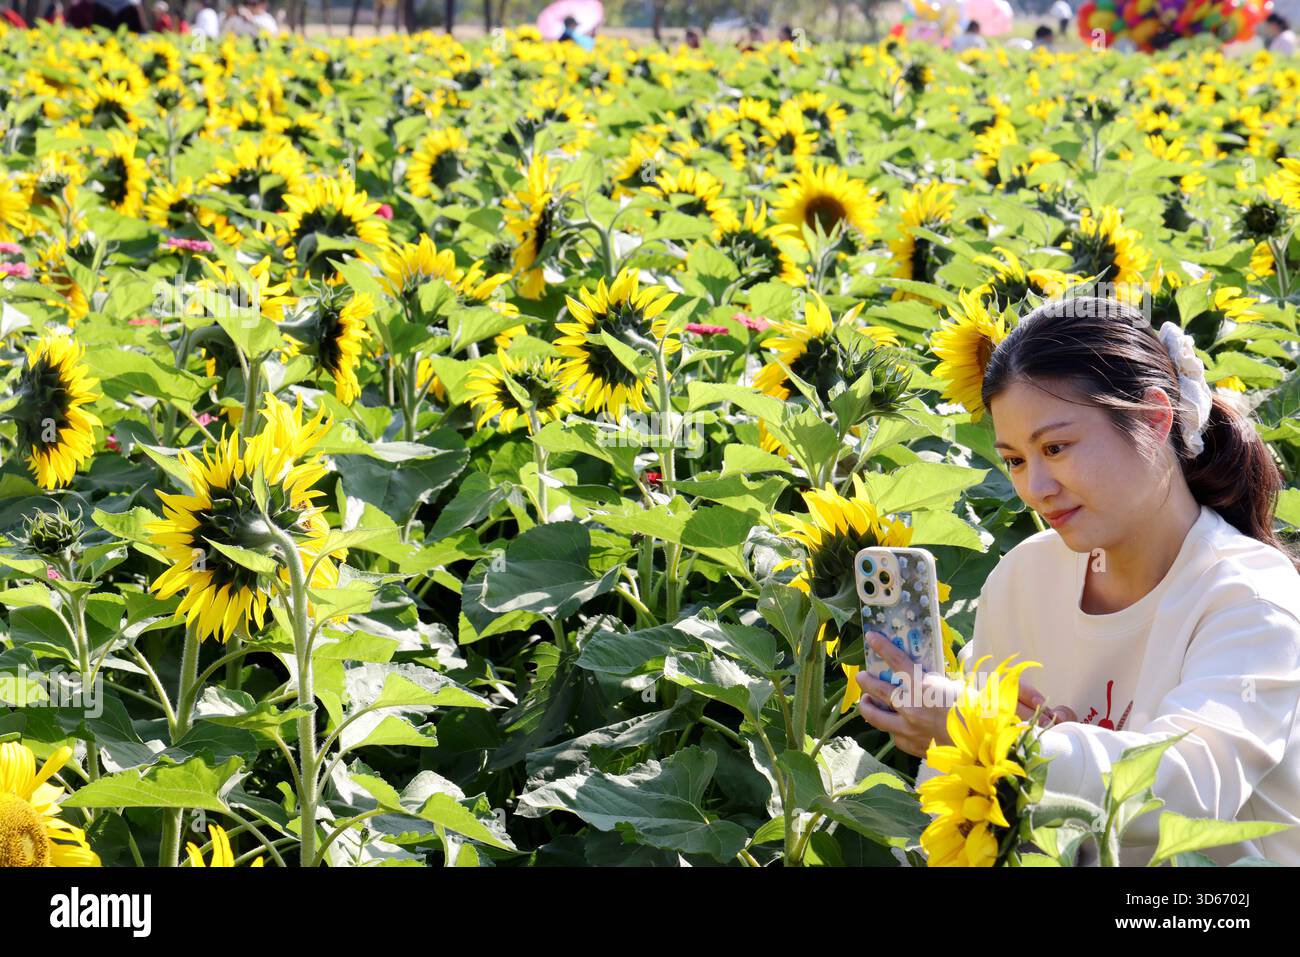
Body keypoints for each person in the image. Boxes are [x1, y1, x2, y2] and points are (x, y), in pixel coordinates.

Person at [856, 296, 1300, 866]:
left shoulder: (1250, 595)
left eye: (1056, 447)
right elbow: (964, 810)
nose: (1035, 487)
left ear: (1154, 418)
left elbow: (1192, 786)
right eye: (1015, 460)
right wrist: (963, 744)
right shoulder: (1025, 577)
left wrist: (1003, 740)